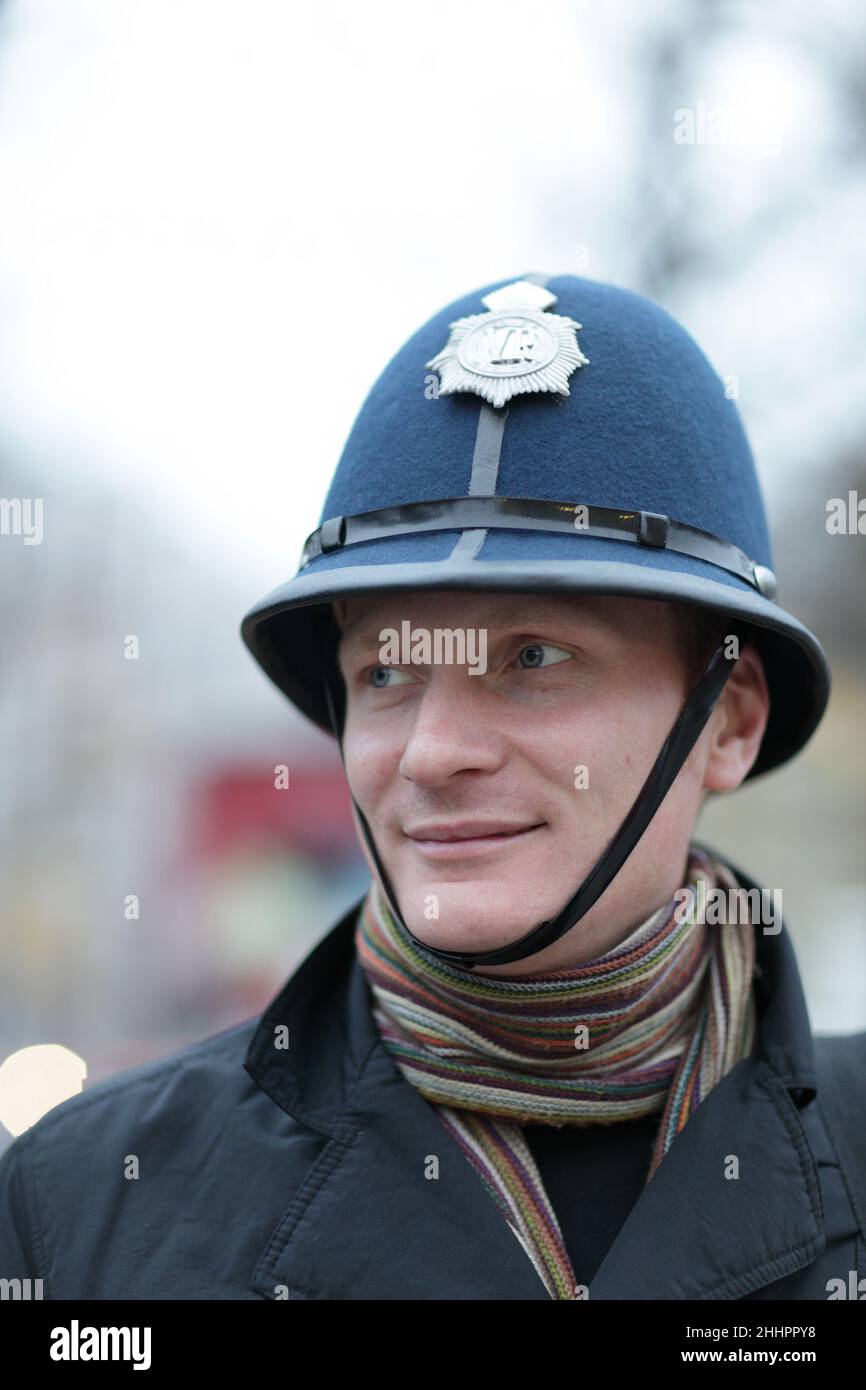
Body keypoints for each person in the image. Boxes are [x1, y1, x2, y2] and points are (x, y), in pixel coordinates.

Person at [1, 273, 864, 1301]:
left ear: (729, 720)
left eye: (534, 657)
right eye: (385, 672)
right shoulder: (78, 1204)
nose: (429, 752)